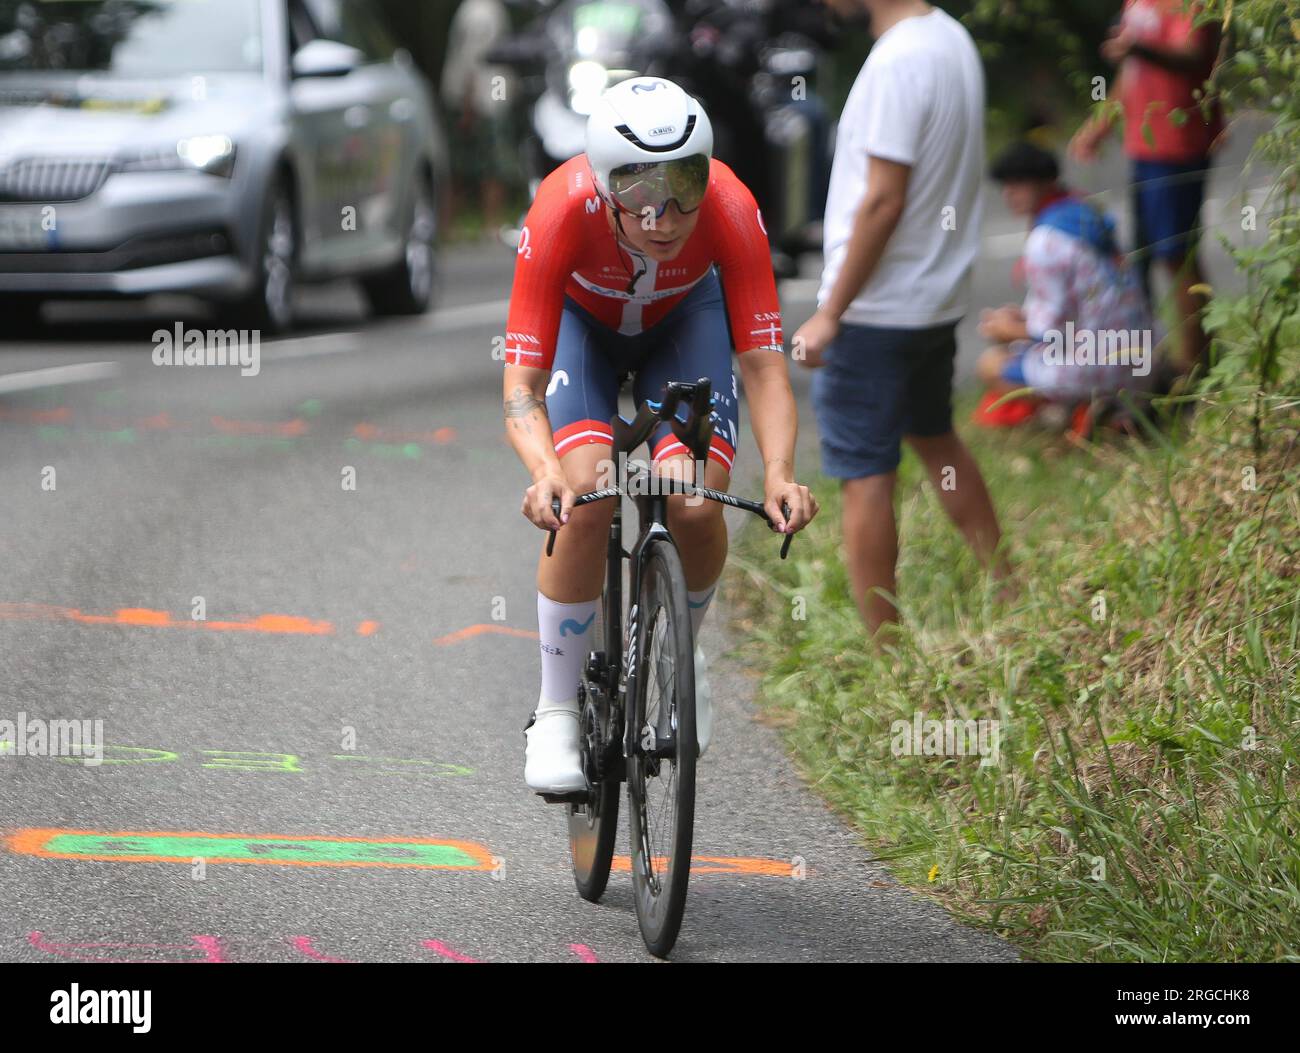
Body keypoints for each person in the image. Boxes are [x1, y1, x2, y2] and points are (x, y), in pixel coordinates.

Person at [502, 77, 818, 794]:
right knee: (585, 496)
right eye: (641, 193)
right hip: (586, 332)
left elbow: (766, 366)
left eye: (685, 186)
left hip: (684, 325)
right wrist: (544, 468)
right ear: (604, 186)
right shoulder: (558, 209)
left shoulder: (732, 207)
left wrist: (779, 472)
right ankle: (554, 708)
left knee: (698, 501)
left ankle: (679, 650)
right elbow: (521, 386)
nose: (665, 215)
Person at [793, 0, 1008, 639]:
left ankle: (884, 648)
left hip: (876, 313)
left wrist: (831, 312)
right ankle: (1009, 589)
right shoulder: (951, 41)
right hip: (932, 302)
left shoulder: (896, 63)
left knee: (865, 478)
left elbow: (884, 199)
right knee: (935, 436)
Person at [1069, 0, 1223, 370]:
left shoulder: (1193, 3)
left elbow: (1193, 55)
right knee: (1142, 255)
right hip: (1144, 143)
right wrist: (1101, 123)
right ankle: (1153, 361)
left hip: (1180, 142)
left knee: (1176, 253)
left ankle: (1199, 365)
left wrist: (1138, 47)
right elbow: (1130, 67)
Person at [976, 142, 1157, 414]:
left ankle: (1075, 410)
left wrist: (1004, 330)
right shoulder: (1083, 212)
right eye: (1006, 184)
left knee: (990, 364)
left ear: (1045, 182)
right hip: (1142, 353)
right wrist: (1023, 320)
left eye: (1020, 183)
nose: (1009, 193)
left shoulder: (1045, 240)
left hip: (1101, 365)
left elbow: (1050, 333)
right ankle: (1098, 407)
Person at [441, 0, 516, 236]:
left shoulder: (480, 9)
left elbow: (474, 61)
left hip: (482, 99)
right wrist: (468, 105)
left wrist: (467, 104)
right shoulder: (481, 11)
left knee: (471, 165)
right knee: (484, 165)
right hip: (481, 100)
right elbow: (472, 60)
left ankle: (452, 225)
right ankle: (487, 224)